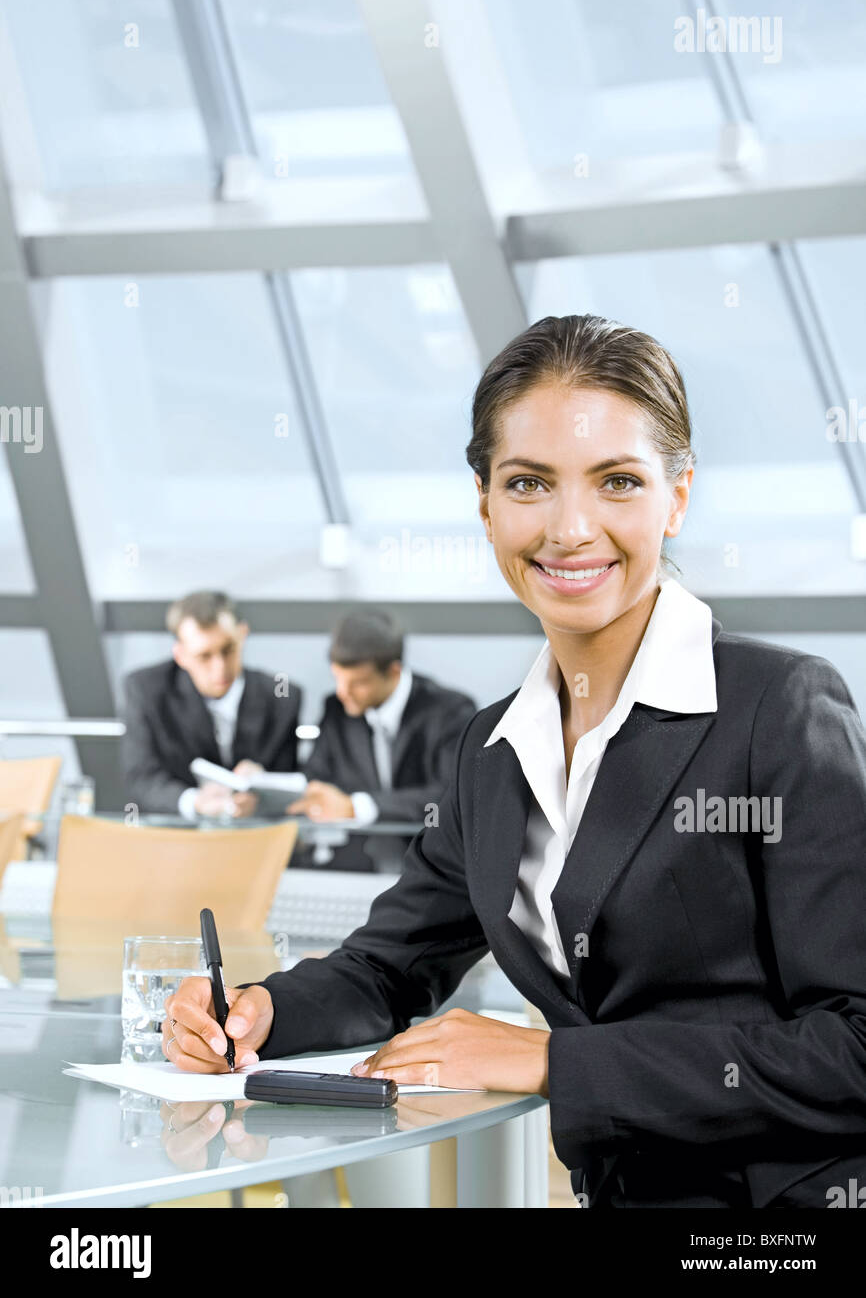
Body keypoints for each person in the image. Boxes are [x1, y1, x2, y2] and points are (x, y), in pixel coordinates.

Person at [162, 314, 866, 1208]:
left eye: (617, 482)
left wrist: (552, 1060)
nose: (571, 529)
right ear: (487, 505)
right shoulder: (494, 749)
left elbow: (855, 1046)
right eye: (530, 482)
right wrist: (261, 1010)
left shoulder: (781, 709)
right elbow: (389, 965)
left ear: (677, 498)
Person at [286, 608, 475, 870]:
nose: (343, 692)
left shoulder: (451, 712)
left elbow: (450, 794)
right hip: (358, 864)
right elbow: (316, 775)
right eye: (338, 679)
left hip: (437, 864)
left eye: (358, 683)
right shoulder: (337, 710)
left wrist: (357, 807)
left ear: (394, 672)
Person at [121, 590, 302, 820]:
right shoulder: (147, 690)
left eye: (228, 650)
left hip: (255, 840)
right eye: (204, 656)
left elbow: (291, 782)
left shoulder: (282, 698)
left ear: (243, 634)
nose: (220, 668)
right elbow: (141, 778)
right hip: (178, 841)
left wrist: (263, 783)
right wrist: (195, 801)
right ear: (180, 655)